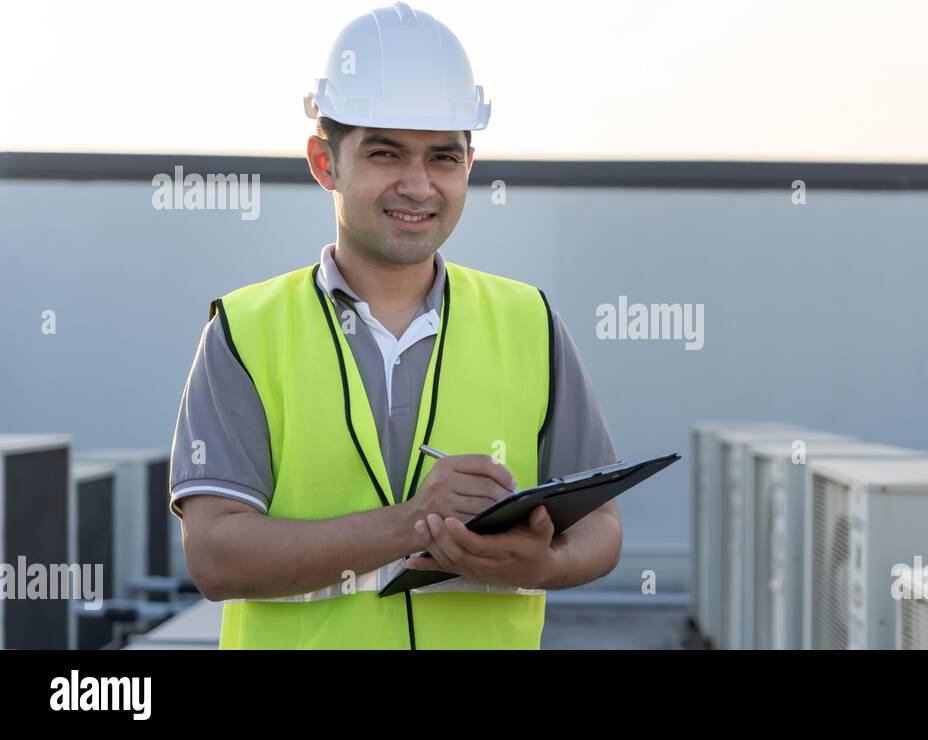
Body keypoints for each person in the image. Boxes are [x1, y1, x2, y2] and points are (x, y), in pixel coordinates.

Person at [168, 2, 621, 649]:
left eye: (442, 157)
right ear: (325, 162)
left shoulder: (530, 321)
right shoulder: (245, 329)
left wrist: (549, 564)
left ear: (469, 163)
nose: (418, 185)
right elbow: (215, 556)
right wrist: (412, 524)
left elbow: (601, 524)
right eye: (386, 153)